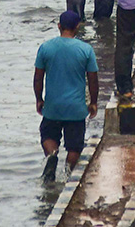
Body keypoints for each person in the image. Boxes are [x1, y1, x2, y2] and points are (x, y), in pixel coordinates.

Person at [33, 10, 98, 181]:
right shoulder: (86, 50)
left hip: (53, 107)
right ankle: (68, 174)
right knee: (74, 147)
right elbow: (93, 79)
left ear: (59, 26)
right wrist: (93, 102)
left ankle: (52, 155)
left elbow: (38, 77)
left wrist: (39, 99)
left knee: (48, 136)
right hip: (76, 110)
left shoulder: (45, 48)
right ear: (77, 26)